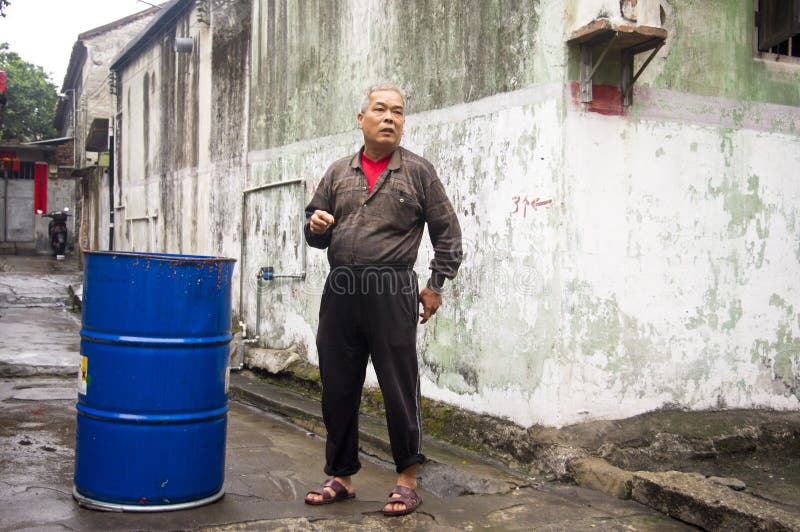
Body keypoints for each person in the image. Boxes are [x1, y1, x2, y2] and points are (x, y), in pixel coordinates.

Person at [302, 83, 463, 517]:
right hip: (341, 289)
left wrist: (435, 284)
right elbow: (314, 231)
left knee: (398, 386)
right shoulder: (338, 172)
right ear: (362, 118)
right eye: (380, 109)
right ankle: (341, 475)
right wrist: (315, 227)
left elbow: (447, 232)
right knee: (338, 385)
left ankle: (407, 479)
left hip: (392, 287)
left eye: (398, 111)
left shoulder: (418, 172)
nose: (390, 117)